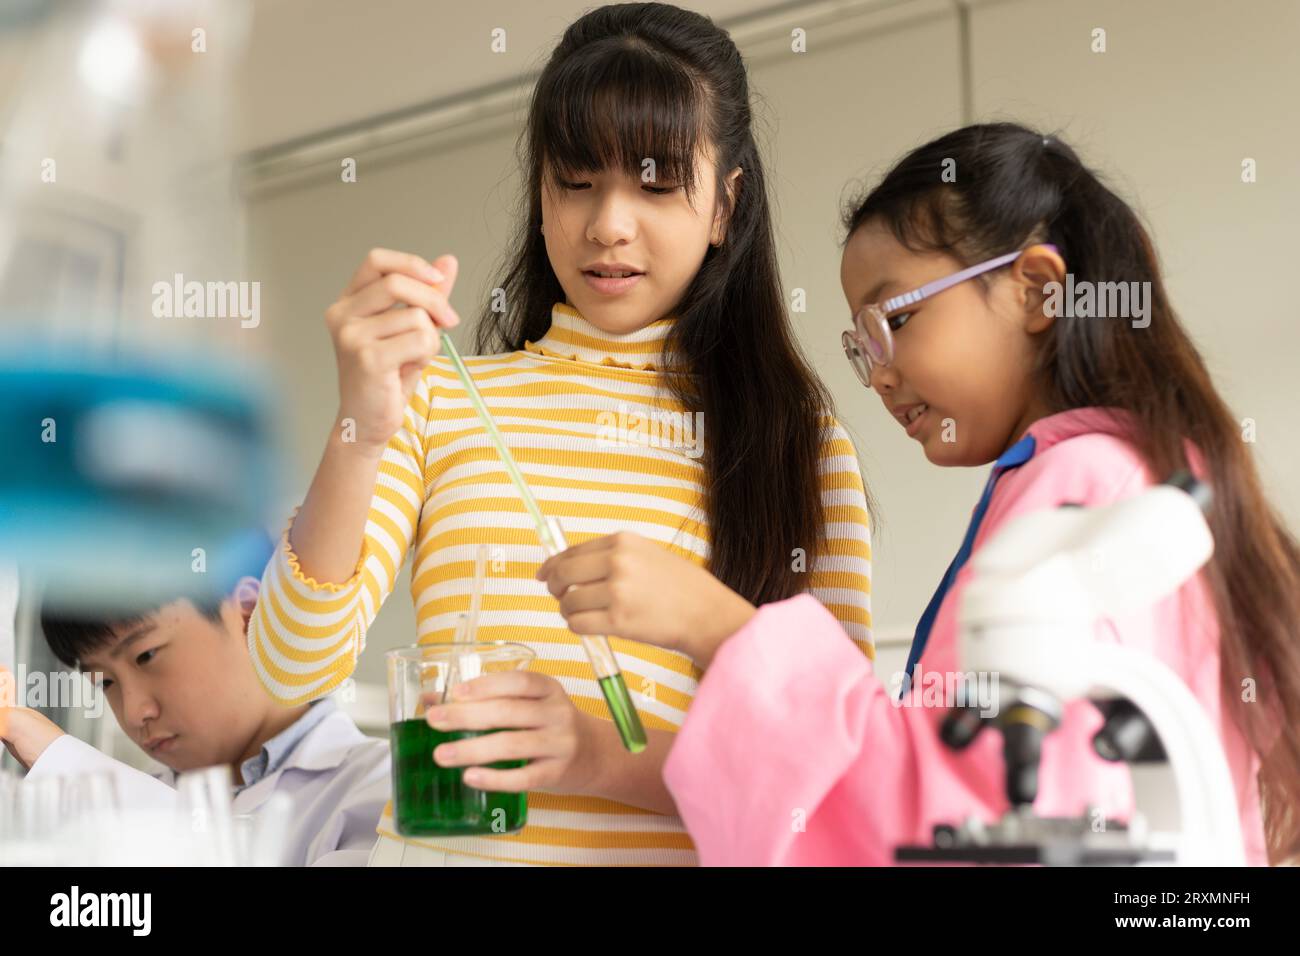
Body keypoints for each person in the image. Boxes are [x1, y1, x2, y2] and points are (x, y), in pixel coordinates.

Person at [539, 123, 1299, 866]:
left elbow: (968, 825)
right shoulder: (1125, 476)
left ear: (1037, 291)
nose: (878, 373)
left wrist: (721, 626)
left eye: (895, 319)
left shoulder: (1087, 486)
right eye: (859, 343)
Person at [247, 2, 874, 866]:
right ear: (540, 190)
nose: (608, 223)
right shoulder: (441, 399)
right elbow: (287, 671)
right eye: (575, 181)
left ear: (726, 205)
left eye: (656, 184)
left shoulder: (796, 445)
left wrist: (593, 755)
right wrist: (359, 429)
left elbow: (841, 771)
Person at [2, 576, 389, 866]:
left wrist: (65, 763)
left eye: (146, 656)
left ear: (248, 611)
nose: (135, 712)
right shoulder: (139, 795)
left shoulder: (383, 789)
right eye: (104, 682)